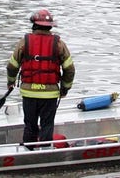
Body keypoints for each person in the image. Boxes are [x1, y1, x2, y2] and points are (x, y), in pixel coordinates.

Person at [7, 8, 75, 147]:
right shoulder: (59, 44)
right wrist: (65, 88)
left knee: (30, 125)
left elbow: (12, 66)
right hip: (50, 95)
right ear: (50, 27)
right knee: (47, 125)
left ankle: (28, 153)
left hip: (29, 93)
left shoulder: (24, 42)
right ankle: (44, 153)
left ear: (34, 25)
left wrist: (11, 82)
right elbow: (69, 69)